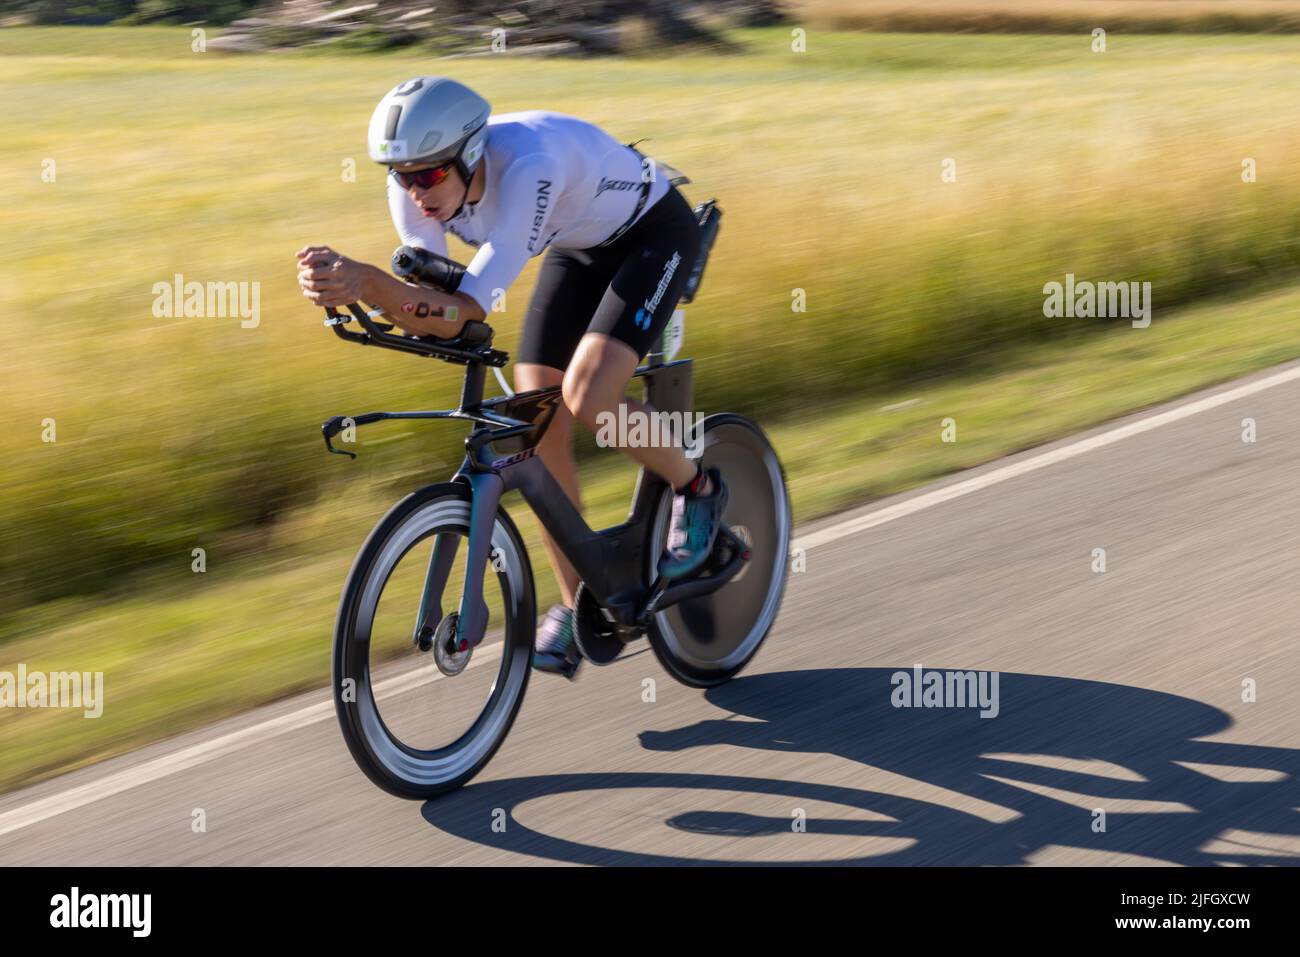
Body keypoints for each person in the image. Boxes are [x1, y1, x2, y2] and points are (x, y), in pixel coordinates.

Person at [296, 76, 726, 679]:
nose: (415, 193)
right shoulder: (416, 190)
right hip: (578, 245)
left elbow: (470, 309)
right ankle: (581, 603)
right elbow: (431, 304)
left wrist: (371, 284)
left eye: (427, 176)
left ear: (469, 153)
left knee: (588, 395)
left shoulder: (528, 169)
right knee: (534, 409)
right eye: (400, 175)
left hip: (653, 234)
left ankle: (698, 488)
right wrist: (352, 290)